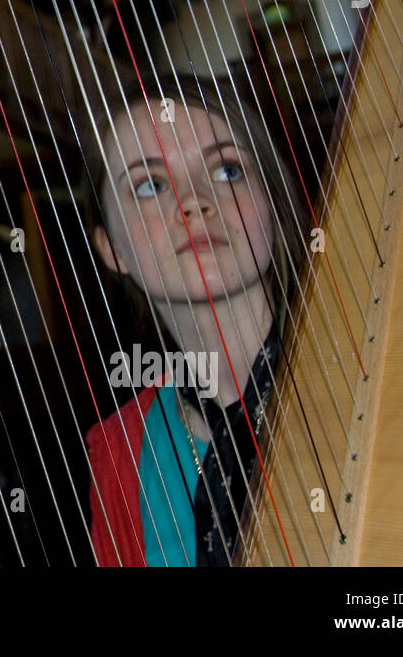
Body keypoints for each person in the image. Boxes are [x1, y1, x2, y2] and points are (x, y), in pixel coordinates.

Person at [81, 70, 306, 566]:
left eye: (227, 171)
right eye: (149, 186)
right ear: (112, 249)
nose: (194, 202)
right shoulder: (119, 452)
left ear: (272, 200)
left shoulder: (382, 371)